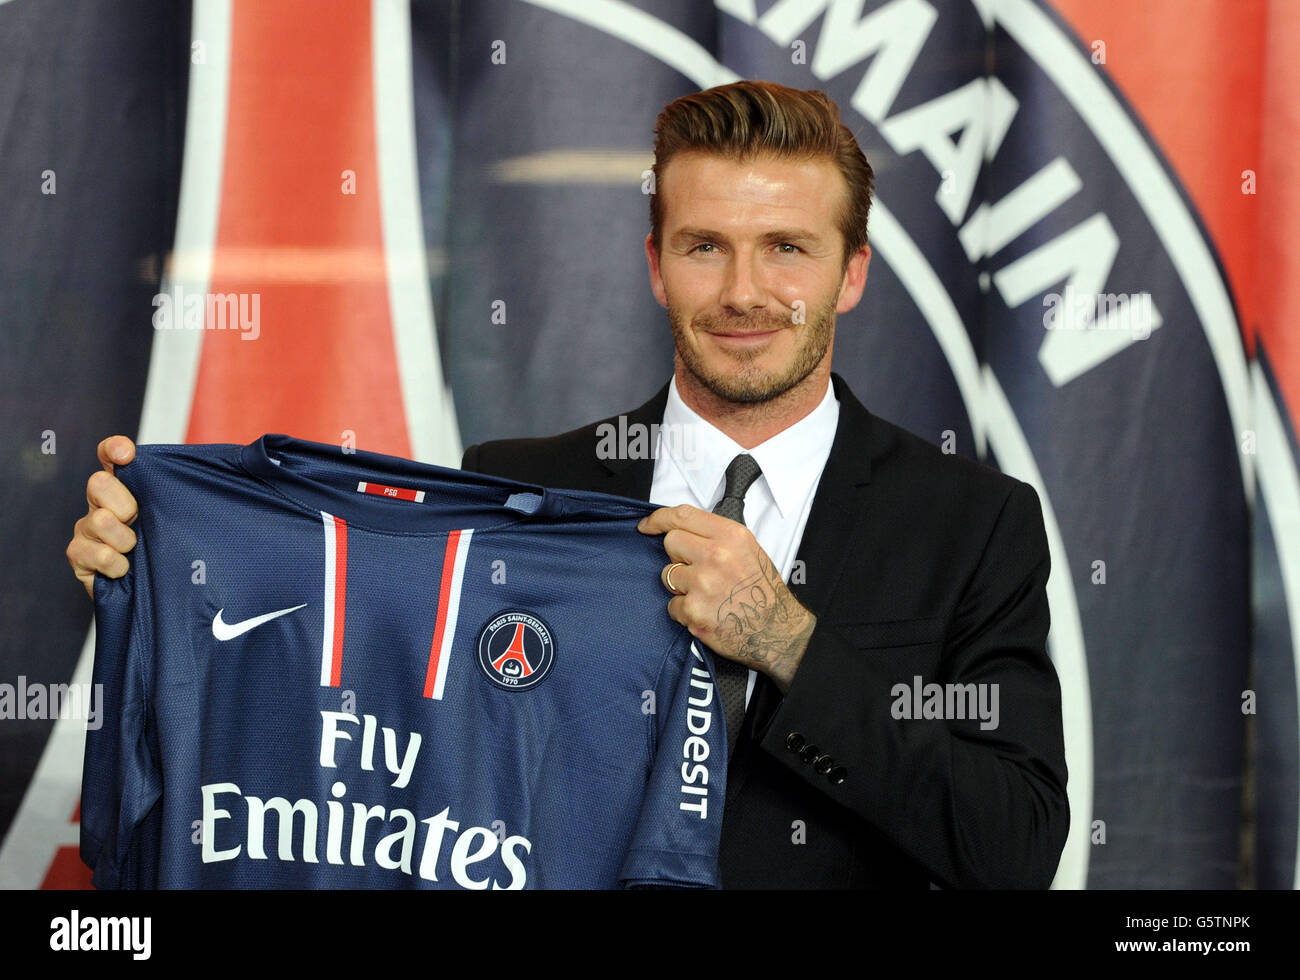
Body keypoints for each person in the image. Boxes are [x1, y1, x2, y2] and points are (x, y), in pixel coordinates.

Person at [68, 80, 1069, 889]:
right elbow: (358, 710)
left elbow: (1013, 845)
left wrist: (787, 642)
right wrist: (165, 576)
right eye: (704, 245)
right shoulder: (511, 487)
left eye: (788, 248)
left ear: (851, 272)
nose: (743, 293)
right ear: (653, 266)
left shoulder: (971, 523)